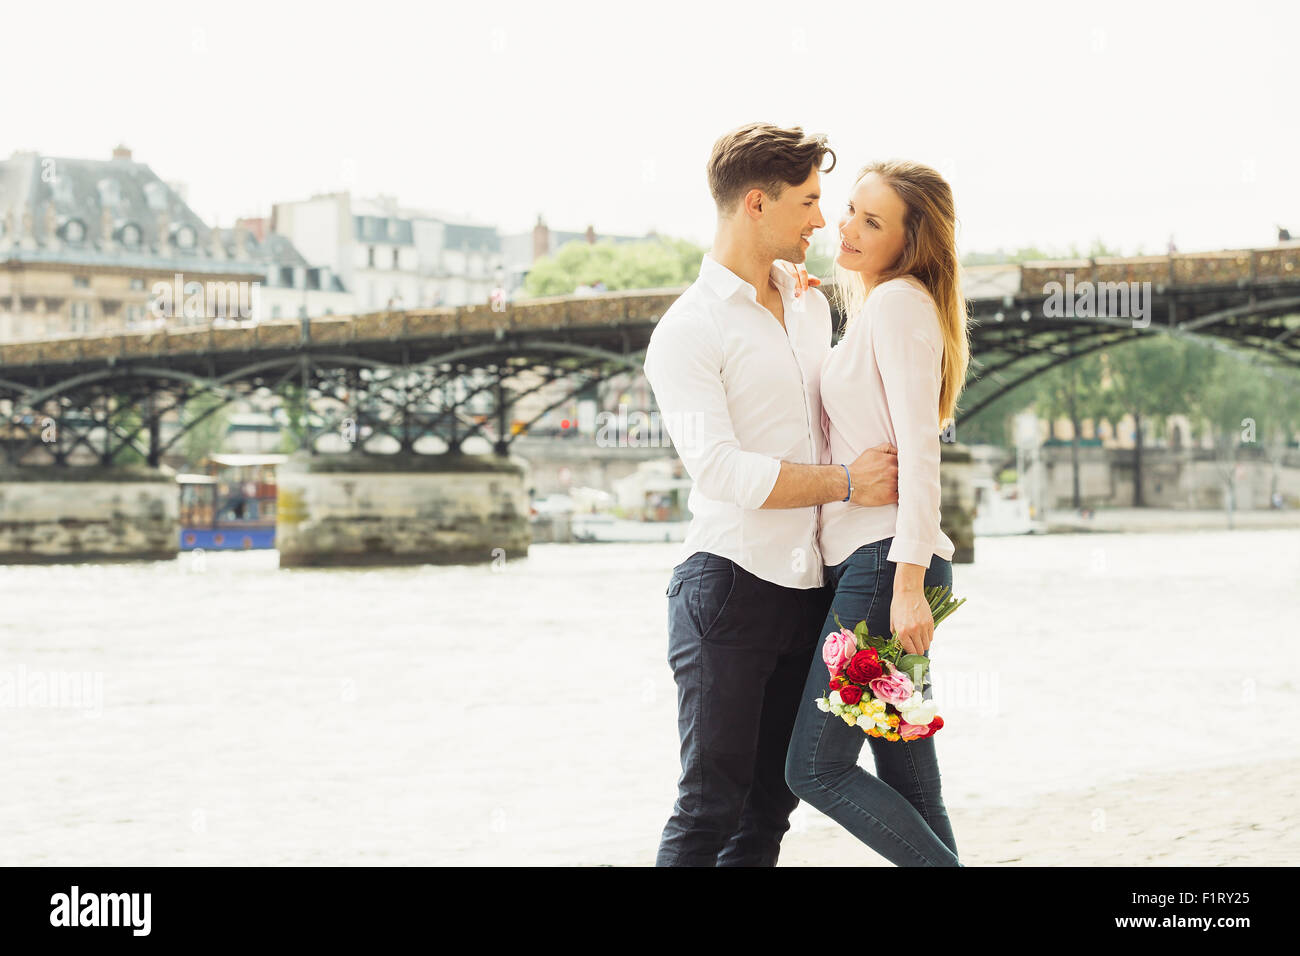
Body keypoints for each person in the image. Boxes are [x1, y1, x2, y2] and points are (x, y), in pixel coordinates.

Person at [642, 123, 901, 867]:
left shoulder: (810, 304)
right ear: (757, 204)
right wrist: (849, 483)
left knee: (770, 810)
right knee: (708, 807)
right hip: (728, 586)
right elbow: (720, 470)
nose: (823, 220)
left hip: (810, 588)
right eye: (809, 203)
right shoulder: (687, 331)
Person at [778, 160, 972, 866]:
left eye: (872, 220)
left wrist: (909, 583)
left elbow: (922, 449)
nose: (846, 226)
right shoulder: (878, 306)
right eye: (850, 209)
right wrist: (803, 305)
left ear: (909, 241)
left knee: (814, 768)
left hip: (884, 568)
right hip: (882, 564)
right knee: (912, 790)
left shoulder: (896, 305)